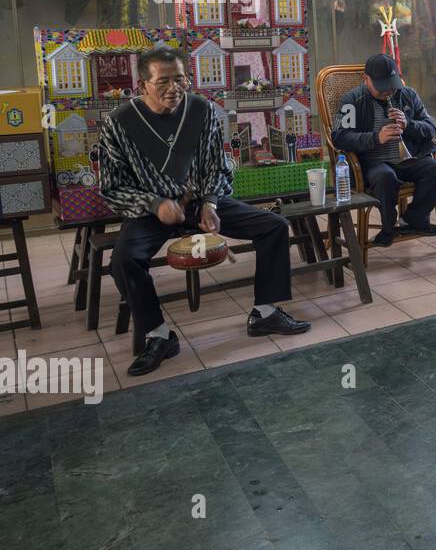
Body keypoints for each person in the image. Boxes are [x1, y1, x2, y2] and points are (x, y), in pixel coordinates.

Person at [99, 46, 310, 377]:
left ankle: (264, 312)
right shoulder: (119, 123)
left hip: (198, 200)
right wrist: (156, 204)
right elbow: (112, 187)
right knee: (123, 261)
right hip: (150, 209)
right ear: (143, 86)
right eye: (163, 82)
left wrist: (210, 202)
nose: (174, 88)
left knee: (274, 226)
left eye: (180, 79)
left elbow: (216, 164)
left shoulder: (201, 110)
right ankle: (159, 335)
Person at [330, 53, 436, 247]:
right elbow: (340, 137)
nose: (388, 92)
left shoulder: (407, 94)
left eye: (391, 85)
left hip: (409, 159)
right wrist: (376, 137)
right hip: (374, 163)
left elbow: (431, 128)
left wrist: (408, 125)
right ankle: (388, 227)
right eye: (382, 87)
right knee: (386, 178)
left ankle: (413, 219)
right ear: (366, 79)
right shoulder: (351, 101)